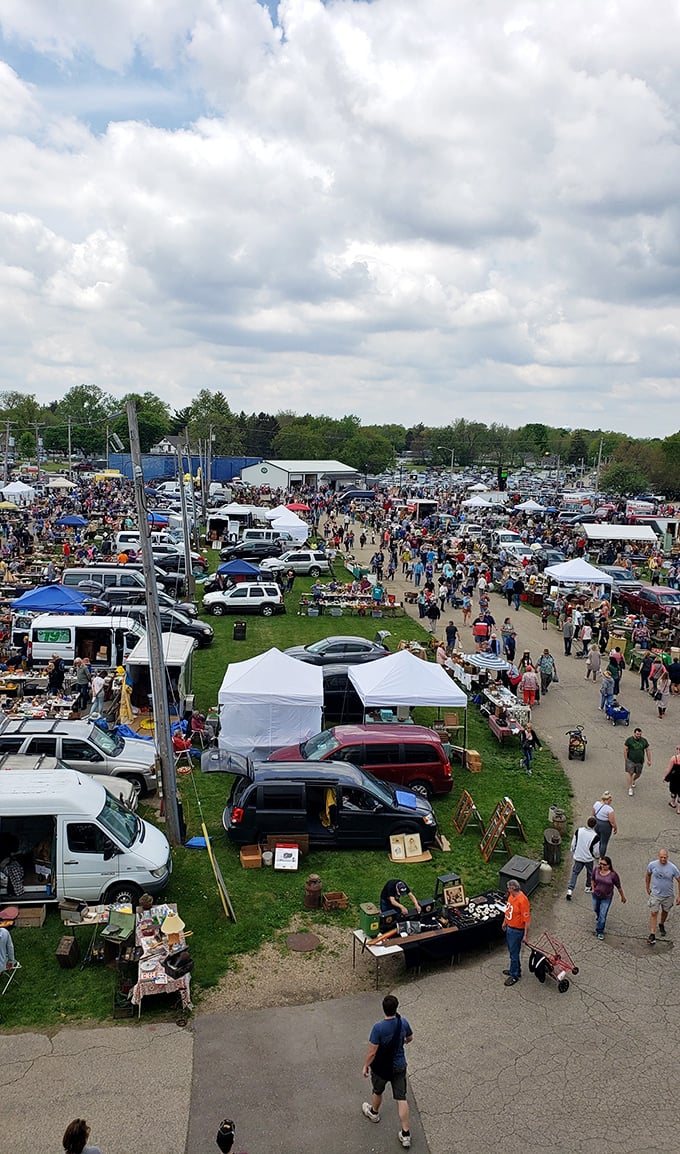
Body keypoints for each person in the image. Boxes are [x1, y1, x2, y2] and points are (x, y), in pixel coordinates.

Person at [362, 994, 414, 1149]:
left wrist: (365, 1066)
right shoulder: (403, 1022)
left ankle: (374, 1113)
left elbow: (372, 1052)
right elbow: (410, 1038)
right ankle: (405, 1134)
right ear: (396, 1007)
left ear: (383, 1009)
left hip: (382, 1068)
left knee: (377, 1091)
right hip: (399, 1065)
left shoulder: (378, 1028)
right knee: (401, 1098)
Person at [646, 848, 680, 945]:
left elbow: (679, 880)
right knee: (654, 912)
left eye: (665, 857)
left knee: (665, 911)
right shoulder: (652, 865)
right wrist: (647, 887)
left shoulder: (673, 868)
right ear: (658, 856)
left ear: (667, 857)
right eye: (661, 857)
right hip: (656, 894)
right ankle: (652, 934)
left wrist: (679, 896)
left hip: (668, 895)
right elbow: (648, 875)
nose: (663, 859)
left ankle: (661, 923)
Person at [502, 879, 530, 985]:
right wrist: (505, 922)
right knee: (512, 951)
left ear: (512, 888)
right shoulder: (511, 896)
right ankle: (515, 969)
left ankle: (514, 975)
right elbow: (508, 910)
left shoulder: (523, 900)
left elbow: (527, 920)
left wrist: (525, 935)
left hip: (517, 931)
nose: (507, 889)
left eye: (508, 888)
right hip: (510, 927)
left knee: (514, 954)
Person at [591, 855, 626, 939]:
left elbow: (618, 886)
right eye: (601, 864)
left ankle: (600, 931)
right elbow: (592, 879)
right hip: (596, 894)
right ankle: (599, 918)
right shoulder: (596, 870)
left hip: (606, 897)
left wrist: (622, 896)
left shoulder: (613, 875)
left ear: (609, 865)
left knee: (603, 914)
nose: (602, 866)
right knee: (596, 909)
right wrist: (593, 888)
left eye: (604, 864)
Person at [565, 816, 599, 900]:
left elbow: (574, 843)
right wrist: (596, 856)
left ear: (587, 823)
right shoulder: (595, 836)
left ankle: (570, 890)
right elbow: (596, 850)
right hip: (588, 858)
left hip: (579, 856)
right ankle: (588, 887)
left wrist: (573, 851)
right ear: (595, 825)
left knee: (575, 873)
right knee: (590, 873)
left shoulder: (579, 831)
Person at [624, 727, 651, 796]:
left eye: (640, 734)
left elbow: (647, 750)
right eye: (637, 734)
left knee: (638, 774)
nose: (639, 735)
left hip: (640, 761)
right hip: (631, 760)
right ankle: (630, 788)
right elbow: (625, 749)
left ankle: (633, 780)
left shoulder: (644, 741)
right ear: (634, 733)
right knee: (630, 773)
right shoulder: (629, 740)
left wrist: (649, 760)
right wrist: (626, 759)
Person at [592, 791, 617, 857]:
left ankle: (596, 853)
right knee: (604, 842)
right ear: (606, 800)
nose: (610, 802)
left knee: (597, 839)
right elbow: (612, 821)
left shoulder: (596, 804)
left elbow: (593, 814)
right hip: (605, 826)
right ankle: (602, 857)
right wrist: (615, 828)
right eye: (610, 800)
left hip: (597, 823)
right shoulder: (609, 809)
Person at [663, 746, 680, 813]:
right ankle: (679, 809)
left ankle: (673, 802)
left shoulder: (674, 758)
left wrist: (664, 776)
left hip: (675, 778)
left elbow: (668, 769)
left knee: (673, 790)